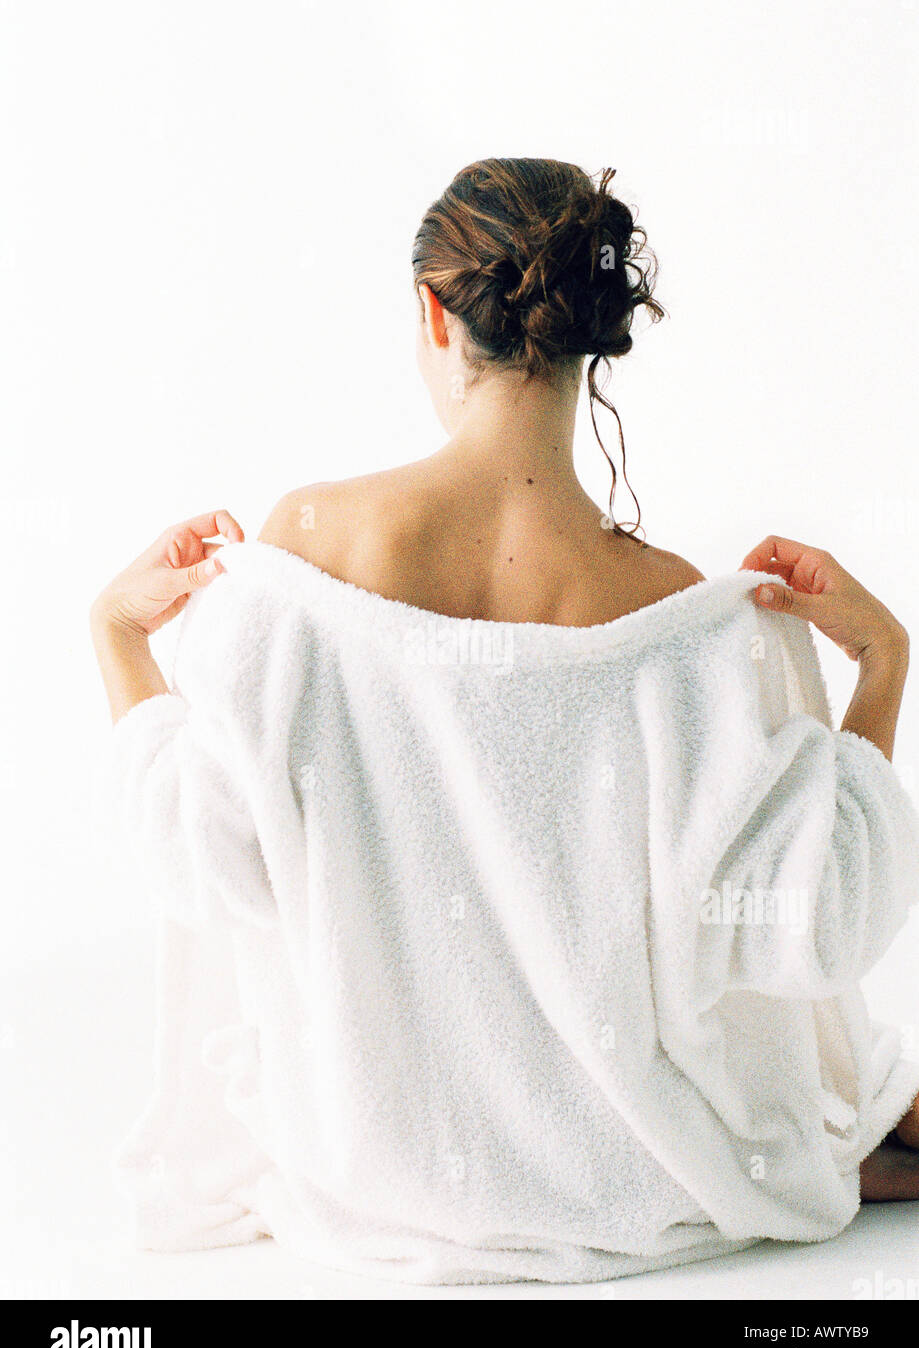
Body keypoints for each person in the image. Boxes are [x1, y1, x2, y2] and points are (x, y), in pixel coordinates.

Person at [91, 159, 919, 1283]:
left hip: (374, 1184)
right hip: (647, 1184)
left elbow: (206, 854)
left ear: (433, 314)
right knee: (853, 1090)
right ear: (593, 337)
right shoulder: (687, 622)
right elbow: (812, 917)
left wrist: (116, 637)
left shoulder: (304, 560)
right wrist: (882, 663)